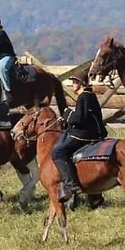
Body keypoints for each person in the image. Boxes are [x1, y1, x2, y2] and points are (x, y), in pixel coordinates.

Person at [51, 74, 106, 207]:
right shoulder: (88, 96)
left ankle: (72, 186)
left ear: (82, 83)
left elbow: (80, 118)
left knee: (58, 152)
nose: (73, 83)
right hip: (92, 132)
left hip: (85, 134)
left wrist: (67, 114)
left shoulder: (84, 96)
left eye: (75, 81)